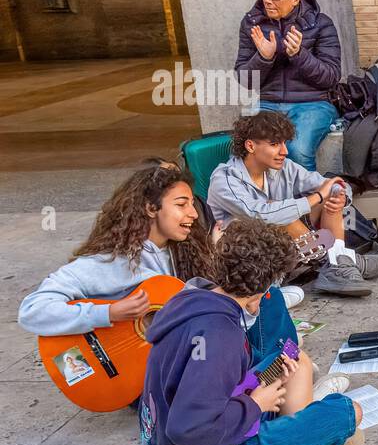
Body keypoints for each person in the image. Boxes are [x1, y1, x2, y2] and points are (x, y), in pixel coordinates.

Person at [18, 161, 308, 378]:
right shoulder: (112, 260)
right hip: (135, 375)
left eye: (192, 204)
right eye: (182, 205)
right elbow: (32, 310)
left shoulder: (181, 251)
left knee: (266, 299)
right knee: (269, 311)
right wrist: (109, 313)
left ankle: (284, 371)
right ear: (150, 208)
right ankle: (286, 376)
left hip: (182, 359)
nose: (194, 214)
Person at [139, 219, 364, 445]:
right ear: (260, 294)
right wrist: (256, 404)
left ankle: (293, 422)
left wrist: (254, 390)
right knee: (347, 414)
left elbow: (203, 385)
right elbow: (189, 428)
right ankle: (293, 438)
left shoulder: (189, 300)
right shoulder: (220, 337)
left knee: (295, 360)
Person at [207, 112, 378, 298]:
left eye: (284, 143)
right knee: (278, 211)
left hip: (284, 246)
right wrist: (317, 196)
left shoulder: (284, 167)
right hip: (247, 257)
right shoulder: (225, 179)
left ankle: (338, 264)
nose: (284, 151)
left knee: (330, 198)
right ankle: (339, 261)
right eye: (275, 144)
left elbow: (333, 183)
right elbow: (262, 214)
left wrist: (339, 195)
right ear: (250, 146)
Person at [234, 0, 342, 170]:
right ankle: (263, 201)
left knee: (297, 150)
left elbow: (331, 77)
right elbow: (246, 80)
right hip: (268, 103)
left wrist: (299, 55)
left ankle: (307, 200)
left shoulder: (320, 24)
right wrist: (264, 58)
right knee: (248, 150)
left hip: (314, 104)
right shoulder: (252, 24)